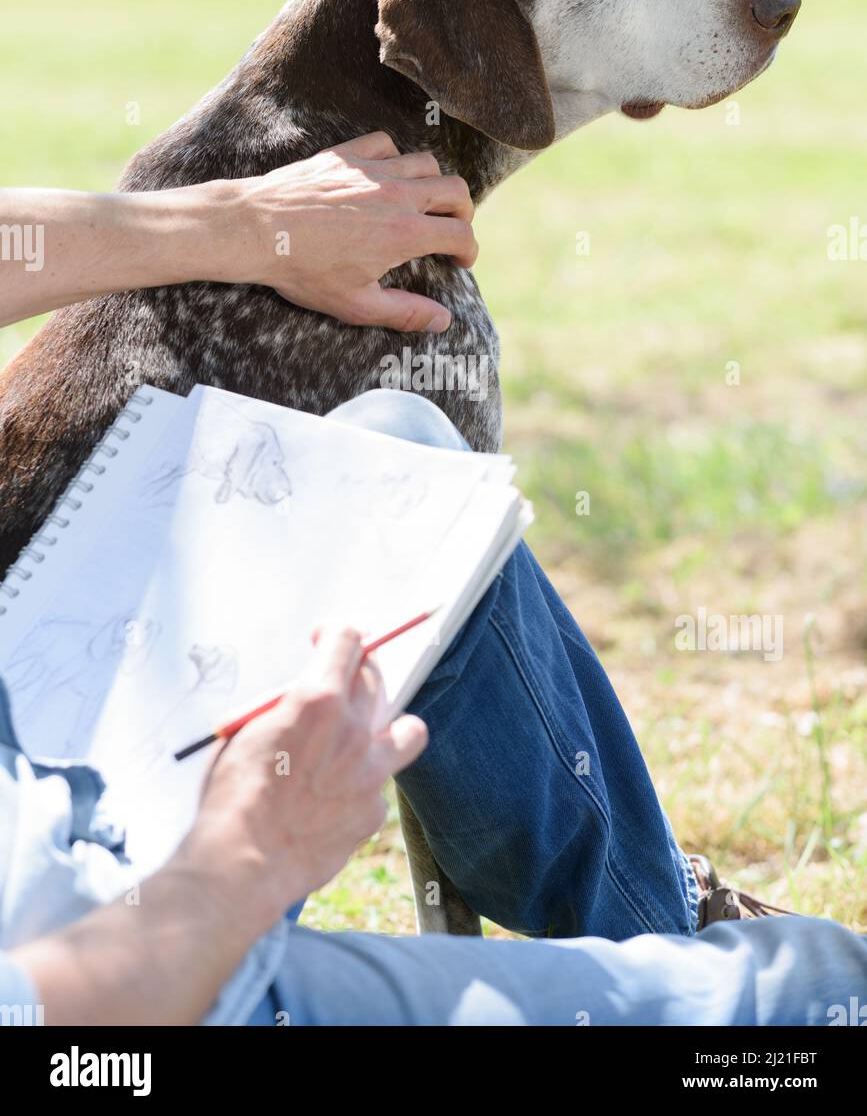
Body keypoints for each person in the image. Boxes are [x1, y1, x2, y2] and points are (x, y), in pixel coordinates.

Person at [0, 135, 864, 1026]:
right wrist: (240, 862)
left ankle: (658, 921)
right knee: (825, 999)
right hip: (127, 977)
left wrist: (252, 226)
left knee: (389, 453)